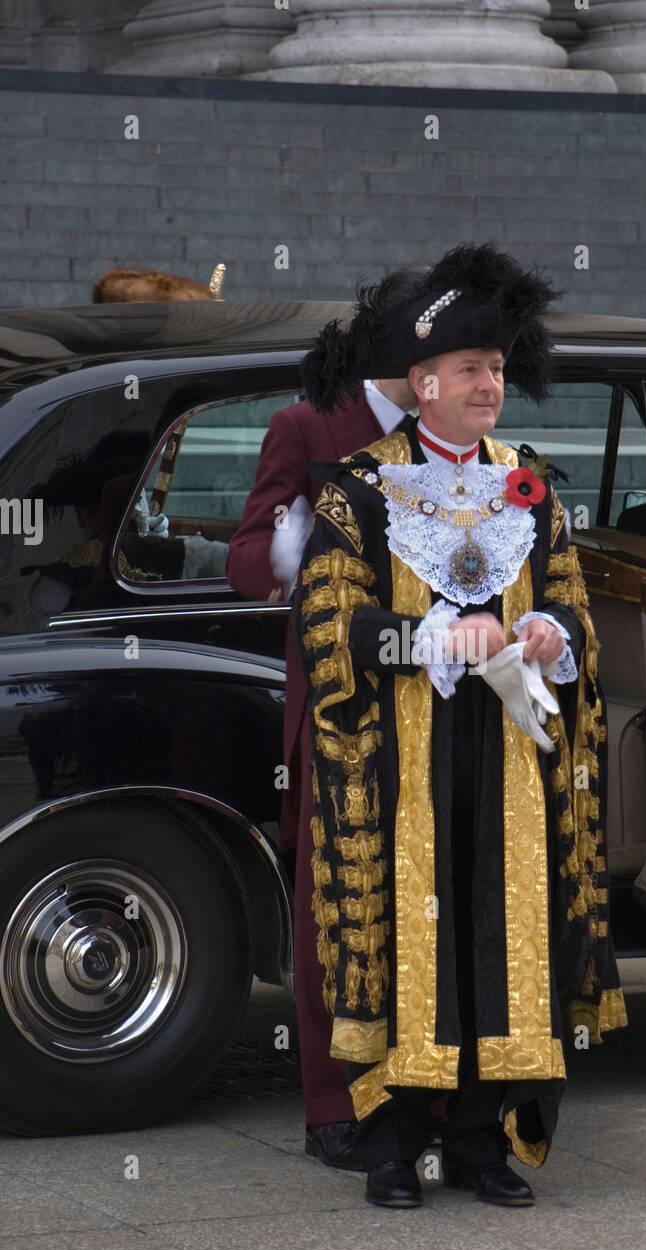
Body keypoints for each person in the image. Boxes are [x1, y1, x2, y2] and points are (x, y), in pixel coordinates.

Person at [293, 243, 627, 1209]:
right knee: (410, 936)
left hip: (513, 759)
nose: (492, 385)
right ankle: (394, 1145)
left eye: (498, 369)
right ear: (424, 383)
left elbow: (573, 606)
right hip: (403, 765)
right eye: (473, 370)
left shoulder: (530, 482)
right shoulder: (357, 489)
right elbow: (326, 624)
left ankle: (483, 1142)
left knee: (496, 930)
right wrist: (431, 639)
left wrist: (547, 634)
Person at [227, 270, 425, 1171]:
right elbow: (244, 561)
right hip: (344, 699)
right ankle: (331, 1103)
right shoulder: (307, 425)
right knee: (331, 908)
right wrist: (292, 546)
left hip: (437, 699)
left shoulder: (456, 434)